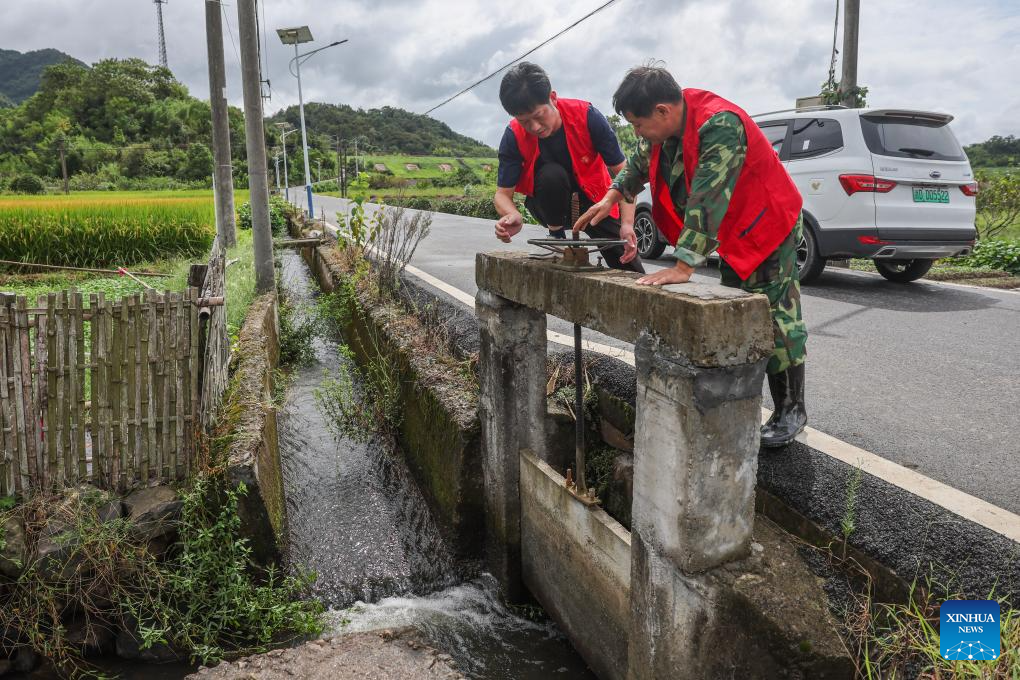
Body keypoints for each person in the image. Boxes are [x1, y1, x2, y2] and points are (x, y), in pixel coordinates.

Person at [574, 65, 808, 447]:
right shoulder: (663, 131)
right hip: (735, 233)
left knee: (776, 316)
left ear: (663, 111)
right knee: (743, 309)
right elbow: (636, 165)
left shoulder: (720, 125)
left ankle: (792, 410)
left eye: (638, 124)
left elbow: (707, 196)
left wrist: (683, 266)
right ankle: (743, 403)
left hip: (768, 224)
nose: (637, 133)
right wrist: (610, 197)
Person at [492, 62, 644, 273]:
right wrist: (512, 214)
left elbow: (625, 173)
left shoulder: (587, 116)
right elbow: (501, 195)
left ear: (553, 98)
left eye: (538, 115)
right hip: (548, 203)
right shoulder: (513, 135)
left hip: (595, 202)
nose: (534, 127)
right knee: (551, 174)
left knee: (630, 266)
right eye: (524, 121)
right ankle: (556, 236)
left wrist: (628, 223)